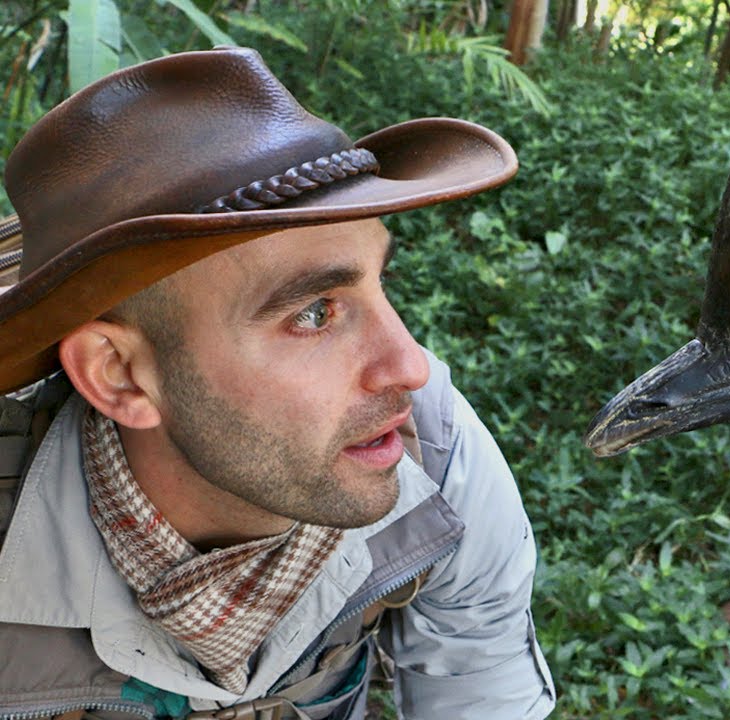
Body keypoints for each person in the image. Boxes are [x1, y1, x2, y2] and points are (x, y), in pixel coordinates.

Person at [0, 47, 555, 720]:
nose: (410, 366)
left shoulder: (430, 448)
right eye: (314, 313)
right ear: (120, 377)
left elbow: (480, 689)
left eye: (383, 282)